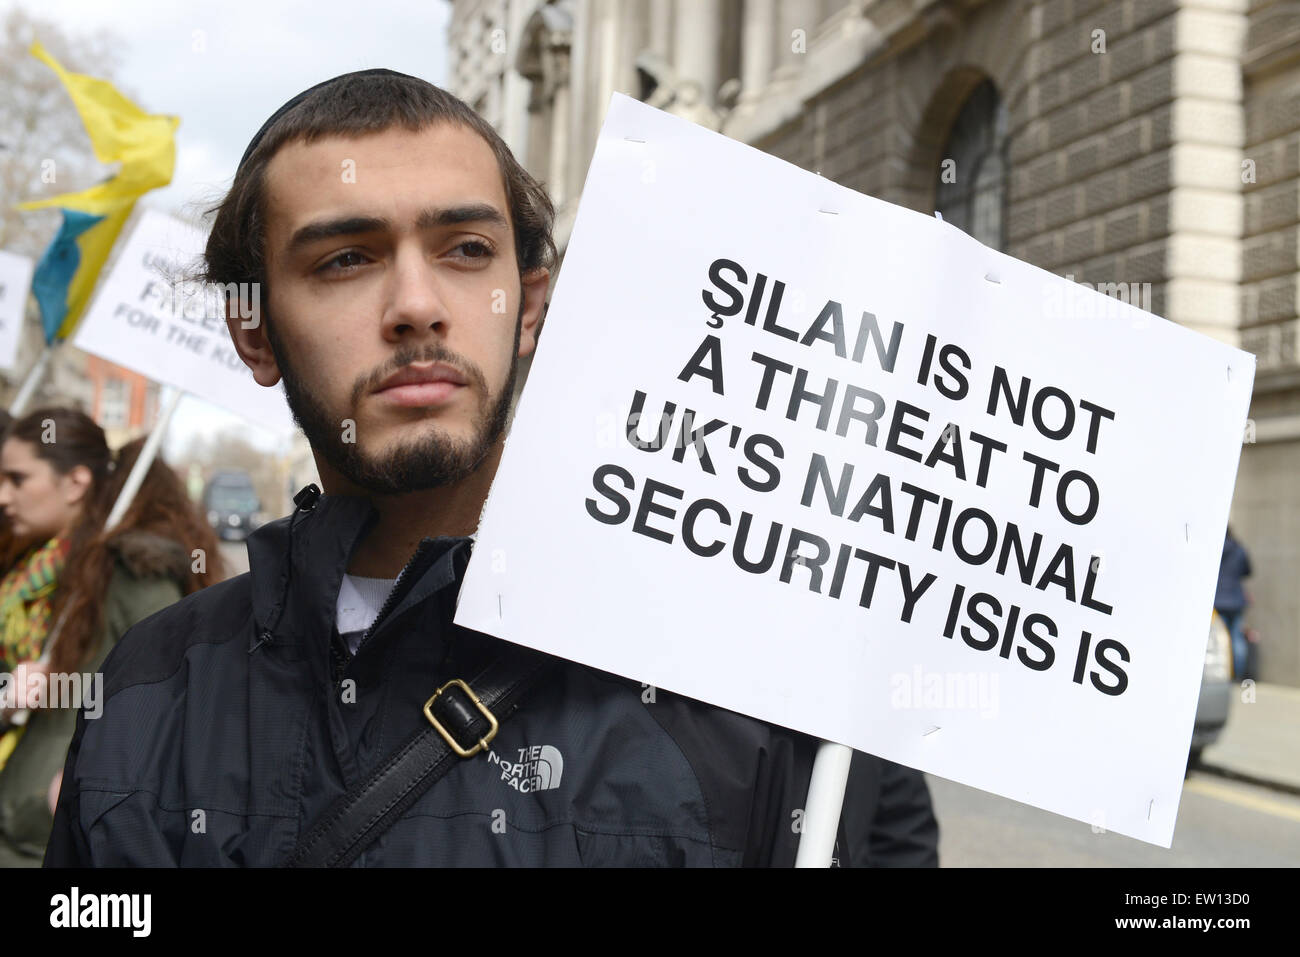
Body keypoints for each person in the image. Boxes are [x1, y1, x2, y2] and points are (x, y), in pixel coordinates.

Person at [46, 70, 939, 867]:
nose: (417, 306)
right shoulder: (145, 691)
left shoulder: (754, 686)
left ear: (529, 307)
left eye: (466, 250)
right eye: (345, 259)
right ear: (254, 331)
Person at [0, 407, 224, 865]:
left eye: (17, 479)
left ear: (76, 483)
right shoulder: (29, 567)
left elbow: (174, 699)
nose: (3, 496)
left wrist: (70, 790)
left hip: (35, 838)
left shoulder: (125, 570)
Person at [1214, 526, 1253, 680]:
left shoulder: (1213, 549)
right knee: (1236, 637)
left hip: (1218, 601)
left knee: (1220, 639)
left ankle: (1222, 675)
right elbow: (1248, 571)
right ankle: (1237, 674)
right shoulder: (1239, 549)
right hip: (1236, 600)